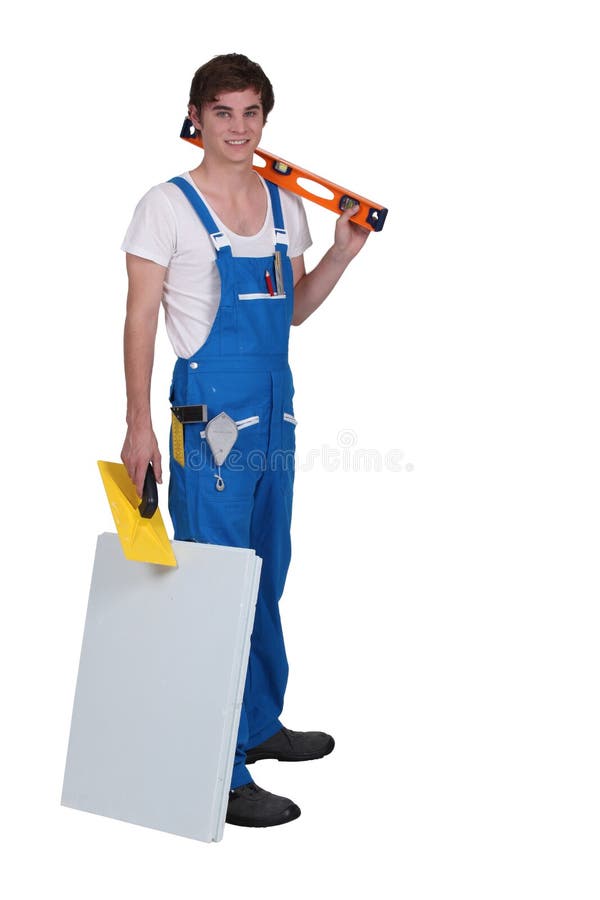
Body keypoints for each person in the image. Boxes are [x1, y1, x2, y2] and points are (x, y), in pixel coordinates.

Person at [120, 53, 369, 828]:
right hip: (208, 422)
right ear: (195, 116)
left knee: (266, 570)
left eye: (251, 112)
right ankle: (217, 770)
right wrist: (136, 425)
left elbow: (292, 310)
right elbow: (137, 321)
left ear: (266, 120)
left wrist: (341, 252)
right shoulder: (165, 207)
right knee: (213, 583)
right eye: (222, 112)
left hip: (273, 410)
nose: (238, 127)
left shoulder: (284, 204)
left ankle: (257, 723)